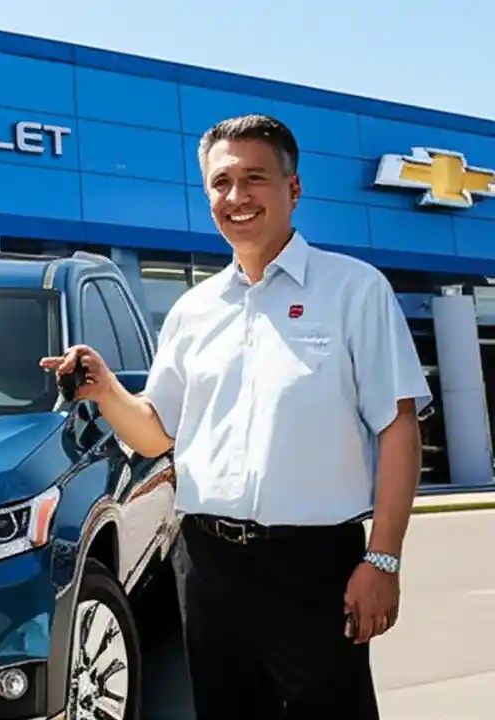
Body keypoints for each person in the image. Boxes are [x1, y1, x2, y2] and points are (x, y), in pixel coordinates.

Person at [41, 114, 429, 719]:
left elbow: (399, 427)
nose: (237, 197)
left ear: (293, 190)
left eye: (255, 178)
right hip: (206, 564)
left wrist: (382, 559)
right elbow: (156, 434)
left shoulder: (354, 290)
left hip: (315, 565)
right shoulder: (194, 311)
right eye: (222, 183)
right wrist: (105, 387)